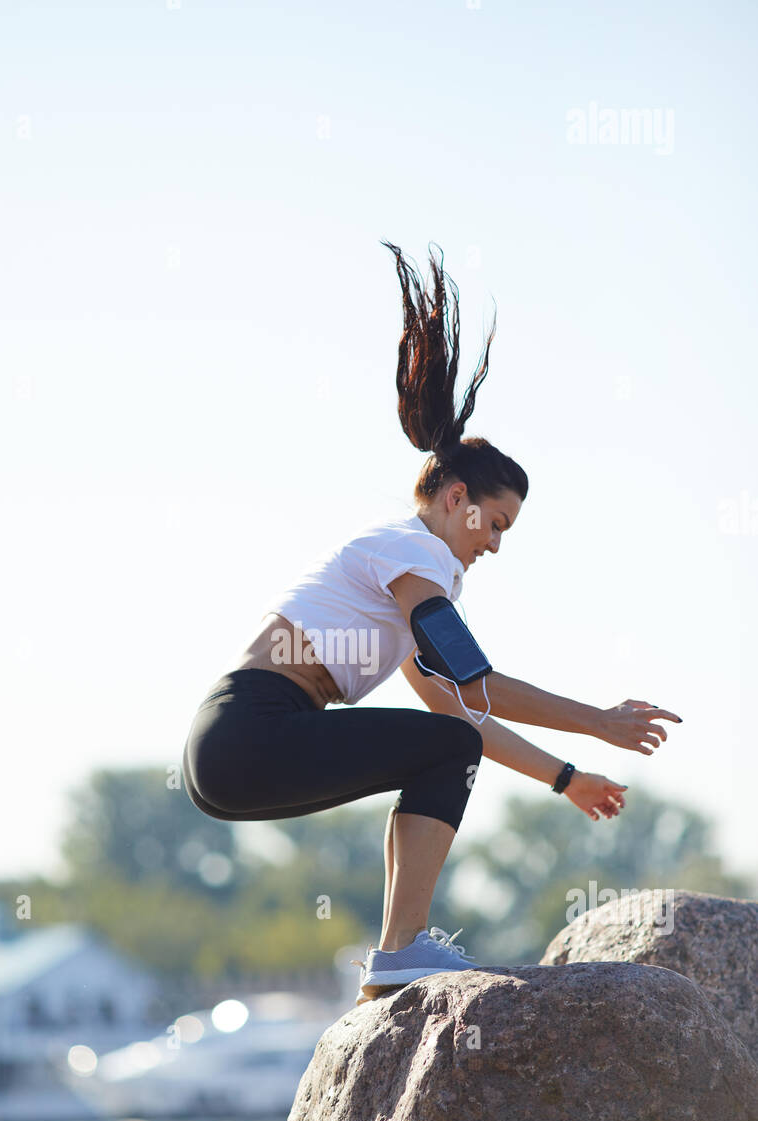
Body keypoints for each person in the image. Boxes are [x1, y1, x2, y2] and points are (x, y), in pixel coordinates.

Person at [181, 240, 682, 1005]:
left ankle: (394, 959)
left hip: (229, 757)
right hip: (251, 732)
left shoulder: (400, 581)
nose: (494, 544)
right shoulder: (416, 553)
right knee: (442, 745)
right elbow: (473, 680)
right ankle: (400, 951)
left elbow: (462, 716)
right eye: (495, 523)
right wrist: (598, 722)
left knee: (441, 745)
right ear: (455, 497)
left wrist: (566, 779)